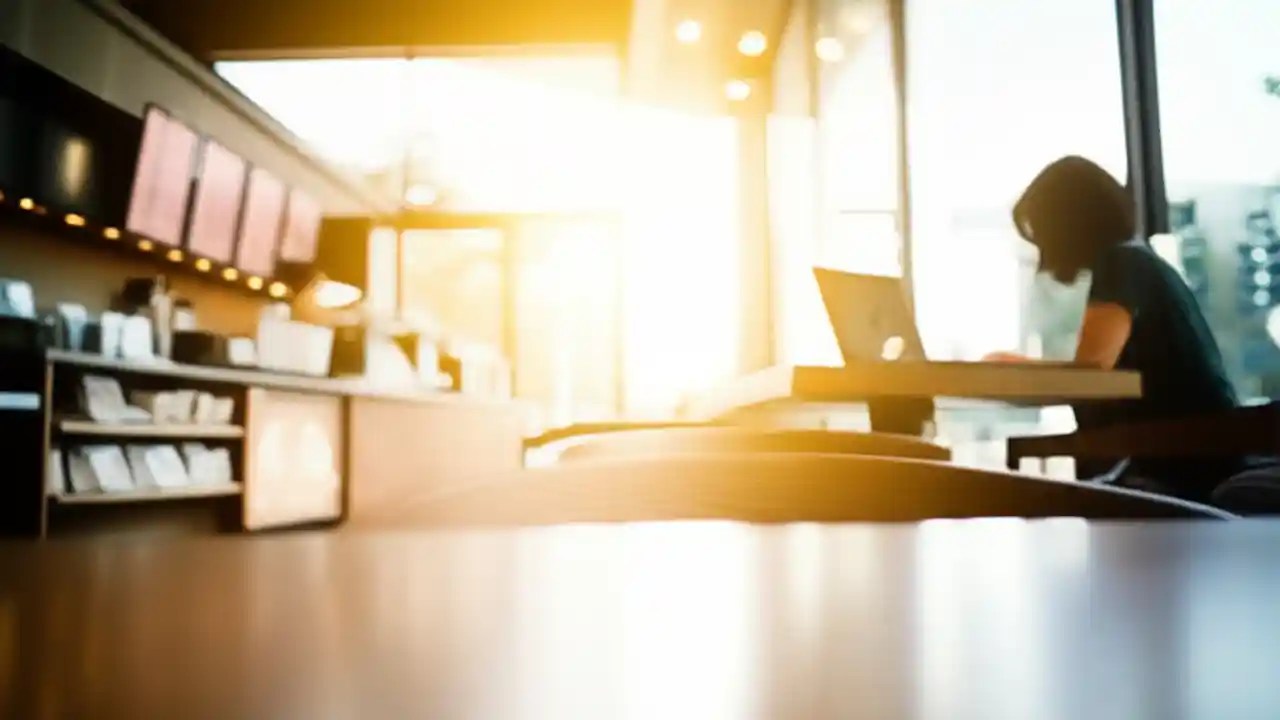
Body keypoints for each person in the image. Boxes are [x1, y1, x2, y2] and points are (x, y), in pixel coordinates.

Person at [993, 155, 1241, 502]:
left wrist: (1014, 371)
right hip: (1190, 451)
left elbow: (1090, 375)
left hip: (1181, 463)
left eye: (1044, 233)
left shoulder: (1122, 264)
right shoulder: (1137, 262)